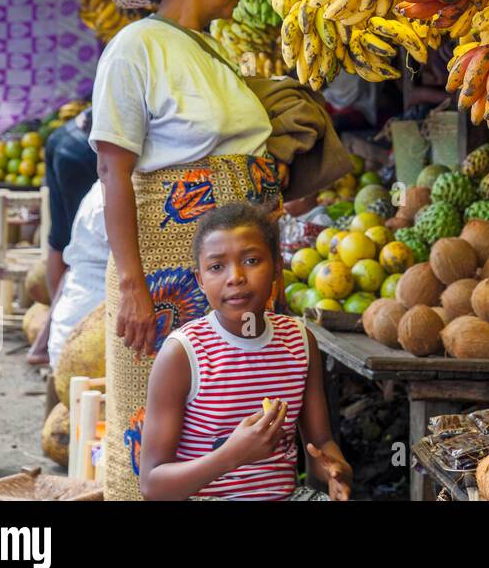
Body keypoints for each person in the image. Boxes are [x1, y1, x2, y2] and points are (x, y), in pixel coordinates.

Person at [90, 0, 278, 501]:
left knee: (228, 412)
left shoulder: (208, 51)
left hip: (233, 262)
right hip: (167, 269)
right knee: (158, 429)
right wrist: (133, 286)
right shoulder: (134, 48)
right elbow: (112, 171)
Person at [139, 203, 352, 501]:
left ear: (277, 268)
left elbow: (321, 442)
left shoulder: (299, 341)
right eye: (216, 267)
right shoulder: (183, 354)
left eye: (252, 260)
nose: (235, 277)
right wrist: (232, 455)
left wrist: (335, 470)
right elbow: (152, 485)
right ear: (200, 280)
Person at [28, 107, 98, 365]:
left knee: (61, 239)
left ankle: (46, 339)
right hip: (82, 149)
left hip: (65, 135)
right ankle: (44, 341)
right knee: (81, 251)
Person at [45, 181, 109, 369]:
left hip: (68, 335)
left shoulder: (99, 189)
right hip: (82, 352)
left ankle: (41, 345)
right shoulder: (110, 197)